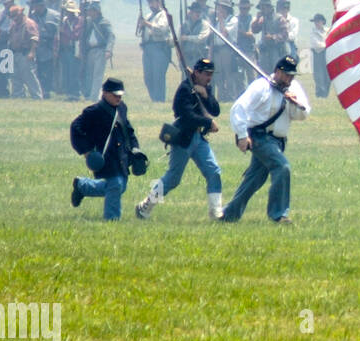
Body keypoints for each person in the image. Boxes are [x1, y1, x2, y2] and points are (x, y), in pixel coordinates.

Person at [220, 54, 311, 224]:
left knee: (254, 179)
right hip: (260, 137)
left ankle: (229, 214)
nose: (289, 78)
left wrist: (293, 101)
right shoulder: (261, 86)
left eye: (292, 75)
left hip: (278, 141)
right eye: (286, 74)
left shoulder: (294, 88)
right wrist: (241, 135)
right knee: (282, 166)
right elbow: (238, 109)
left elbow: (303, 114)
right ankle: (278, 214)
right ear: (277, 71)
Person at [136, 58, 224, 220]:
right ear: (196, 73)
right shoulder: (185, 89)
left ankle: (216, 213)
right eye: (206, 74)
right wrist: (208, 122)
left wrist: (205, 95)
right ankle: (146, 206)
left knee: (214, 172)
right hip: (184, 137)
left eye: (211, 74)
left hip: (199, 138)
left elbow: (215, 109)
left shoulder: (206, 88)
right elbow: (186, 115)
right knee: (173, 178)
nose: (209, 77)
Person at [69, 77, 141, 221]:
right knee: (115, 185)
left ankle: (82, 186)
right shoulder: (93, 112)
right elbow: (75, 128)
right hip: (105, 157)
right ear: (105, 93)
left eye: (120, 95)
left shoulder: (122, 108)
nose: (118, 98)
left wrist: (135, 149)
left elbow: (128, 130)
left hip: (121, 156)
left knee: (120, 186)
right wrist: (87, 151)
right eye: (115, 95)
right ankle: (112, 220)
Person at [138, 0, 173, 102]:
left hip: (160, 47)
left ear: (158, 1)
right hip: (148, 48)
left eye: (152, 2)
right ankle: (154, 98)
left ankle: (159, 99)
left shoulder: (164, 14)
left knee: (158, 76)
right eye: (149, 2)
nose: (151, 4)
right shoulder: (149, 16)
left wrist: (146, 24)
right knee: (148, 77)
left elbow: (161, 29)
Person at [80, 0, 115, 102]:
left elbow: (111, 37)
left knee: (97, 75)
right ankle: (88, 95)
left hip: (101, 51)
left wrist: (108, 50)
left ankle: (94, 97)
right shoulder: (89, 22)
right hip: (90, 51)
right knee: (89, 74)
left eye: (91, 11)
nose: (89, 13)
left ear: (96, 11)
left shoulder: (104, 22)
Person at [6, 5, 42, 99]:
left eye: (15, 16)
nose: (14, 18)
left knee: (29, 76)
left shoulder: (29, 23)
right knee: (15, 76)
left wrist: (32, 52)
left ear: (21, 14)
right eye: (12, 16)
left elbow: (34, 39)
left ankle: (36, 96)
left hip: (25, 53)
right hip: (15, 53)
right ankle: (17, 95)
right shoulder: (14, 24)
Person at [27, 0, 59, 97]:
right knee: (38, 71)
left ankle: (46, 91)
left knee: (48, 71)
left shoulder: (55, 16)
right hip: (36, 46)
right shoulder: (31, 16)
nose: (34, 8)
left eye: (35, 5)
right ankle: (40, 91)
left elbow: (59, 32)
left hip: (49, 47)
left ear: (42, 5)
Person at [209, 0, 238, 103]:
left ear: (225, 9)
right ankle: (221, 97)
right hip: (217, 50)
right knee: (218, 75)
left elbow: (224, 34)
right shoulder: (216, 21)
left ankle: (230, 97)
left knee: (228, 75)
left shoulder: (233, 20)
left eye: (220, 8)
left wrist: (221, 20)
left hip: (227, 50)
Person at [58, 0, 83, 100]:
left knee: (74, 73)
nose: (68, 13)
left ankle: (75, 93)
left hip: (74, 50)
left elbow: (76, 35)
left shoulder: (79, 21)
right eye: (67, 11)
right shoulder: (64, 21)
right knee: (67, 73)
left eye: (70, 12)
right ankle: (69, 93)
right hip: (65, 50)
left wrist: (63, 31)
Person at [0, 0, 15, 98]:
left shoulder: (15, 12)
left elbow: (11, 28)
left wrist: (3, 31)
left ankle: (5, 91)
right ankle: (0, 90)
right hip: (1, 42)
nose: (4, 4)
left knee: (5, 69)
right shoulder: (3, 12)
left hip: (9, 42)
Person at [309, 14, 330, 98]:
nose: (316, 23)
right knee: (319, 74)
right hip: (318, 54)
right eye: (315, 22)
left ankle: (325, 93)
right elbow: (316, 44)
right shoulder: (313, 32)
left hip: (327, 54)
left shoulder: (328, 30)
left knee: (327, 74)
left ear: (323, 22)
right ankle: (320, 93)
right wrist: (328, 44)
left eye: (318, 21)